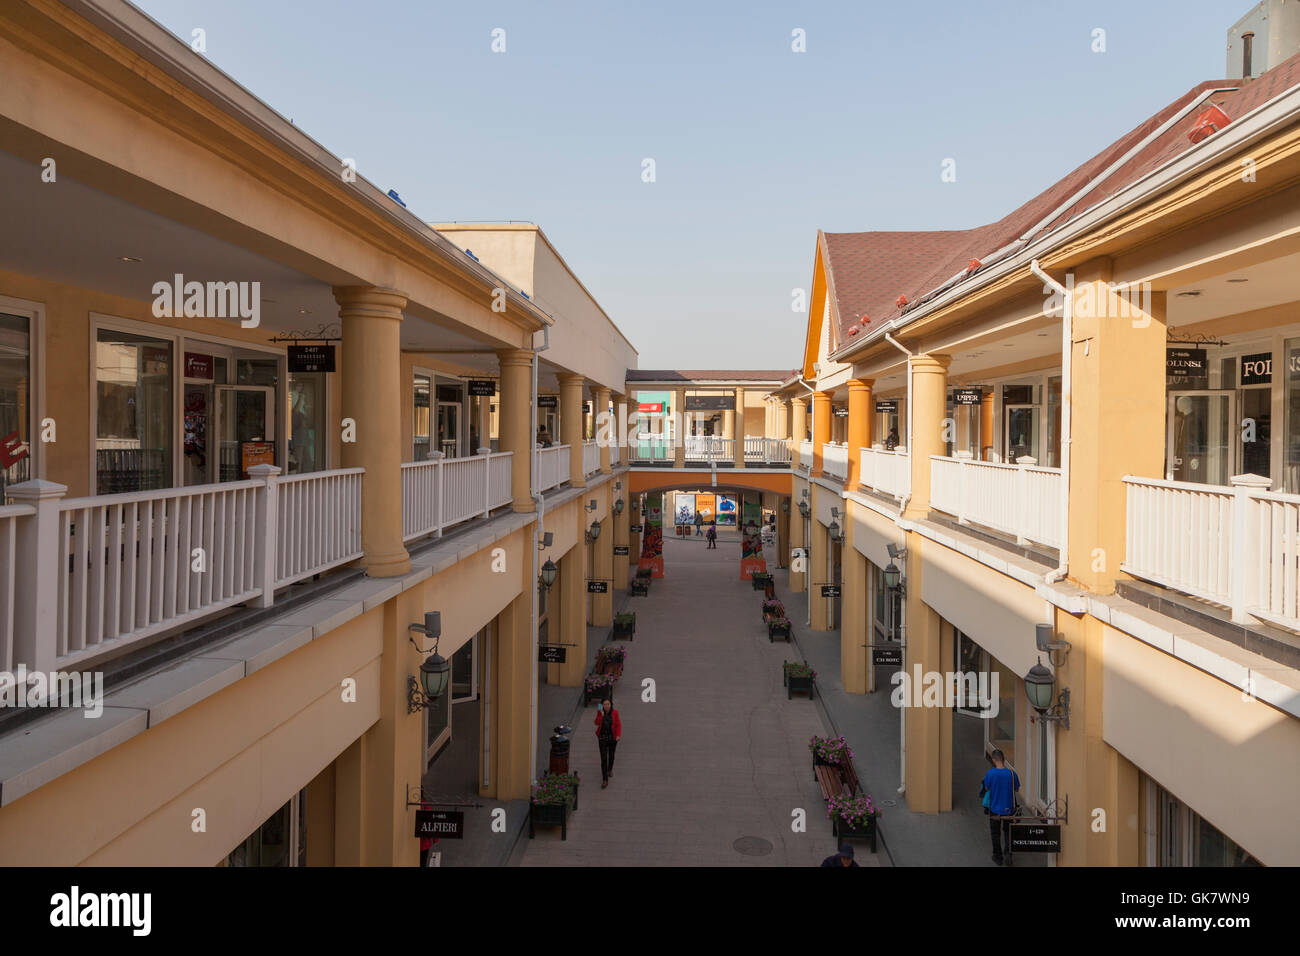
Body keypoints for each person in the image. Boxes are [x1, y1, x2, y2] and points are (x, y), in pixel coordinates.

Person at [981, 749, 1021, 866]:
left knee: (995, 833)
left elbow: (987, 788)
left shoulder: (990, 774)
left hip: (995, 810)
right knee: (1008, 832)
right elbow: (1017, 789)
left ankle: (997, 857)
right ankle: (1008, 854)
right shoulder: (1012, 774)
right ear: (1003, 759)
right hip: (1009, 809)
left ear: (993, 760)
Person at [594, 697, 621, 788]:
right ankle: (605, 779)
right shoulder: (600, 712)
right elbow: (596, 723)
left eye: (608, 704)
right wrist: (601, 715)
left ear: (611, 704)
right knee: (604, 758)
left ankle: (610, 769)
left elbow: (618, 725)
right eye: (605, 704)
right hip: (602, 738)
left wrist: (618, 735)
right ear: (602, 706)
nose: (607, 706)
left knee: (611, 755)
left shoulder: (615, 712)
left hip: (612, 738)